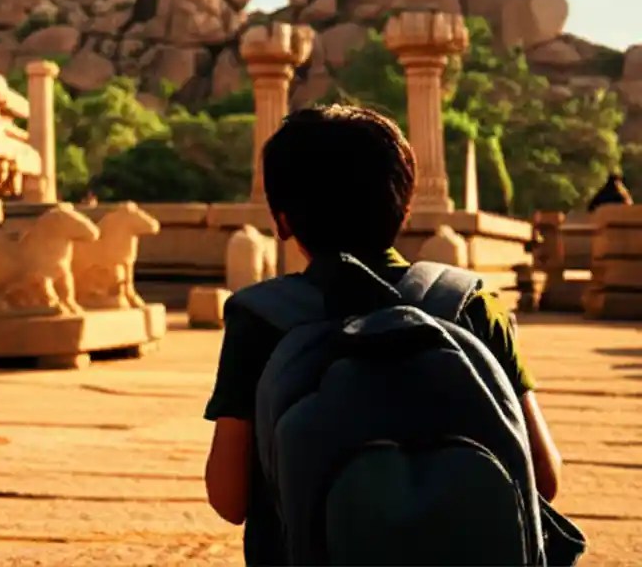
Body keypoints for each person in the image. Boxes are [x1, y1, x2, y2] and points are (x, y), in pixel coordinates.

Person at [202, 105, 564, 565]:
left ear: (282, 220)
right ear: (405, 206)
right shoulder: (471, 303)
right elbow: (544, 479)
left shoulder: (261, 319)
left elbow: (229, 498)